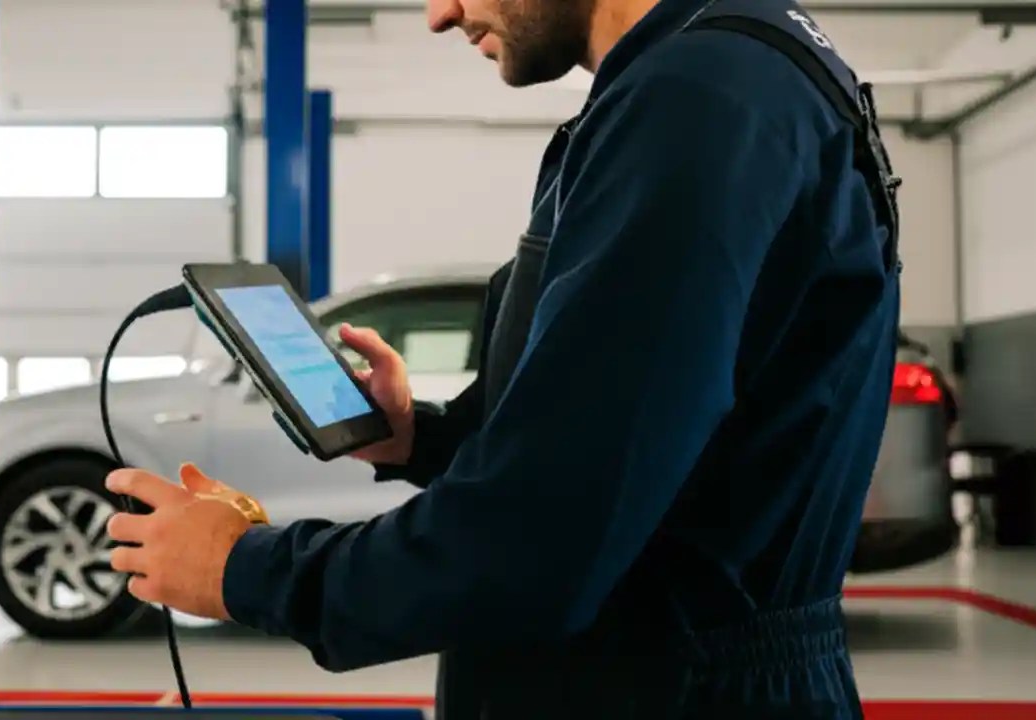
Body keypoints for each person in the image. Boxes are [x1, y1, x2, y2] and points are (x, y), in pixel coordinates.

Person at [104, 0, 904, 712]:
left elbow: (537, 541)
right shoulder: (717, 77)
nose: (439, 15)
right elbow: (643, 448)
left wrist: (243, 569)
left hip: (666, 686)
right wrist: (421, 437)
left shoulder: (696, 99)